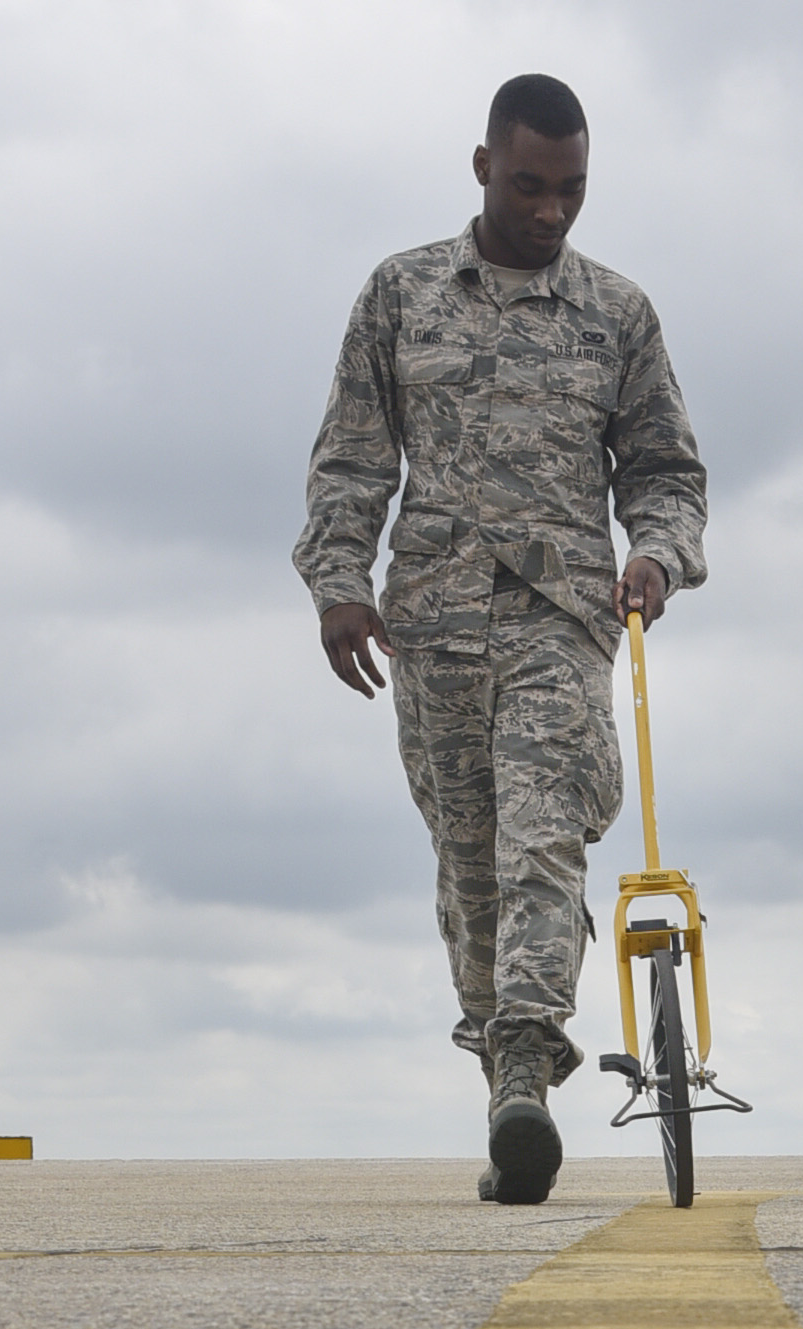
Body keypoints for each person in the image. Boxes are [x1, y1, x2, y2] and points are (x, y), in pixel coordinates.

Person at [293, 74, 707, 1205]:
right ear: (481, 166)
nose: (550, 211)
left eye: (571, 189)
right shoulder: (400, 294)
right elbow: (351, 459)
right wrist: (339, 582)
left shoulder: (615, 314)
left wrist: (655, 554)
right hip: (431, 623)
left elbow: (666, 470)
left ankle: (525, 1061)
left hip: (562, 618)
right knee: (470, 866)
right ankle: (505, 1088)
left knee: (539, 834)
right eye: (528, 185)